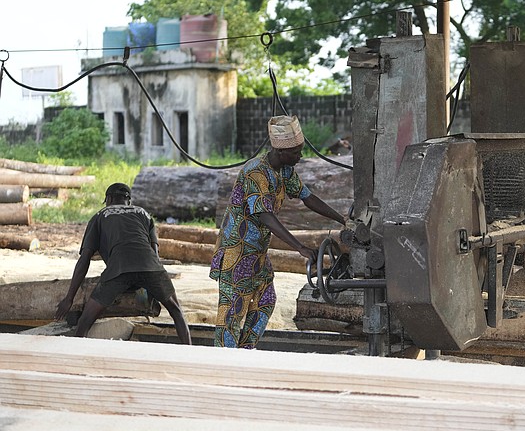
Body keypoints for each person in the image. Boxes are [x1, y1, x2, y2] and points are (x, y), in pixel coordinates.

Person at [210, 115, 346, 349]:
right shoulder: (256, 173)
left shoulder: (285, 171)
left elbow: (308, 198)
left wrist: (343, 219)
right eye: (296, 152)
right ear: (281, 151)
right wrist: (300, 247)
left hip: (258, 253)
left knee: (265, 301)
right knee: (232, 313)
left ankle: (245, 352)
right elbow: (264, 215)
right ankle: (225, 363)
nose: (300, 156)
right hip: (237, 252)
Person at [55, 183, 192, 345]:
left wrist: (69, 298)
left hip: (118, 270)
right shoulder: (144, 214)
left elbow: (84, 259)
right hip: (151, 267)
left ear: (109, 199)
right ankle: (189, 352)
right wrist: (155, 287)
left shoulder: (100, 215)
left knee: (85, 320)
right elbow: (155, 254)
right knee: (177, 311)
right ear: (129, 201)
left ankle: (74, 356)